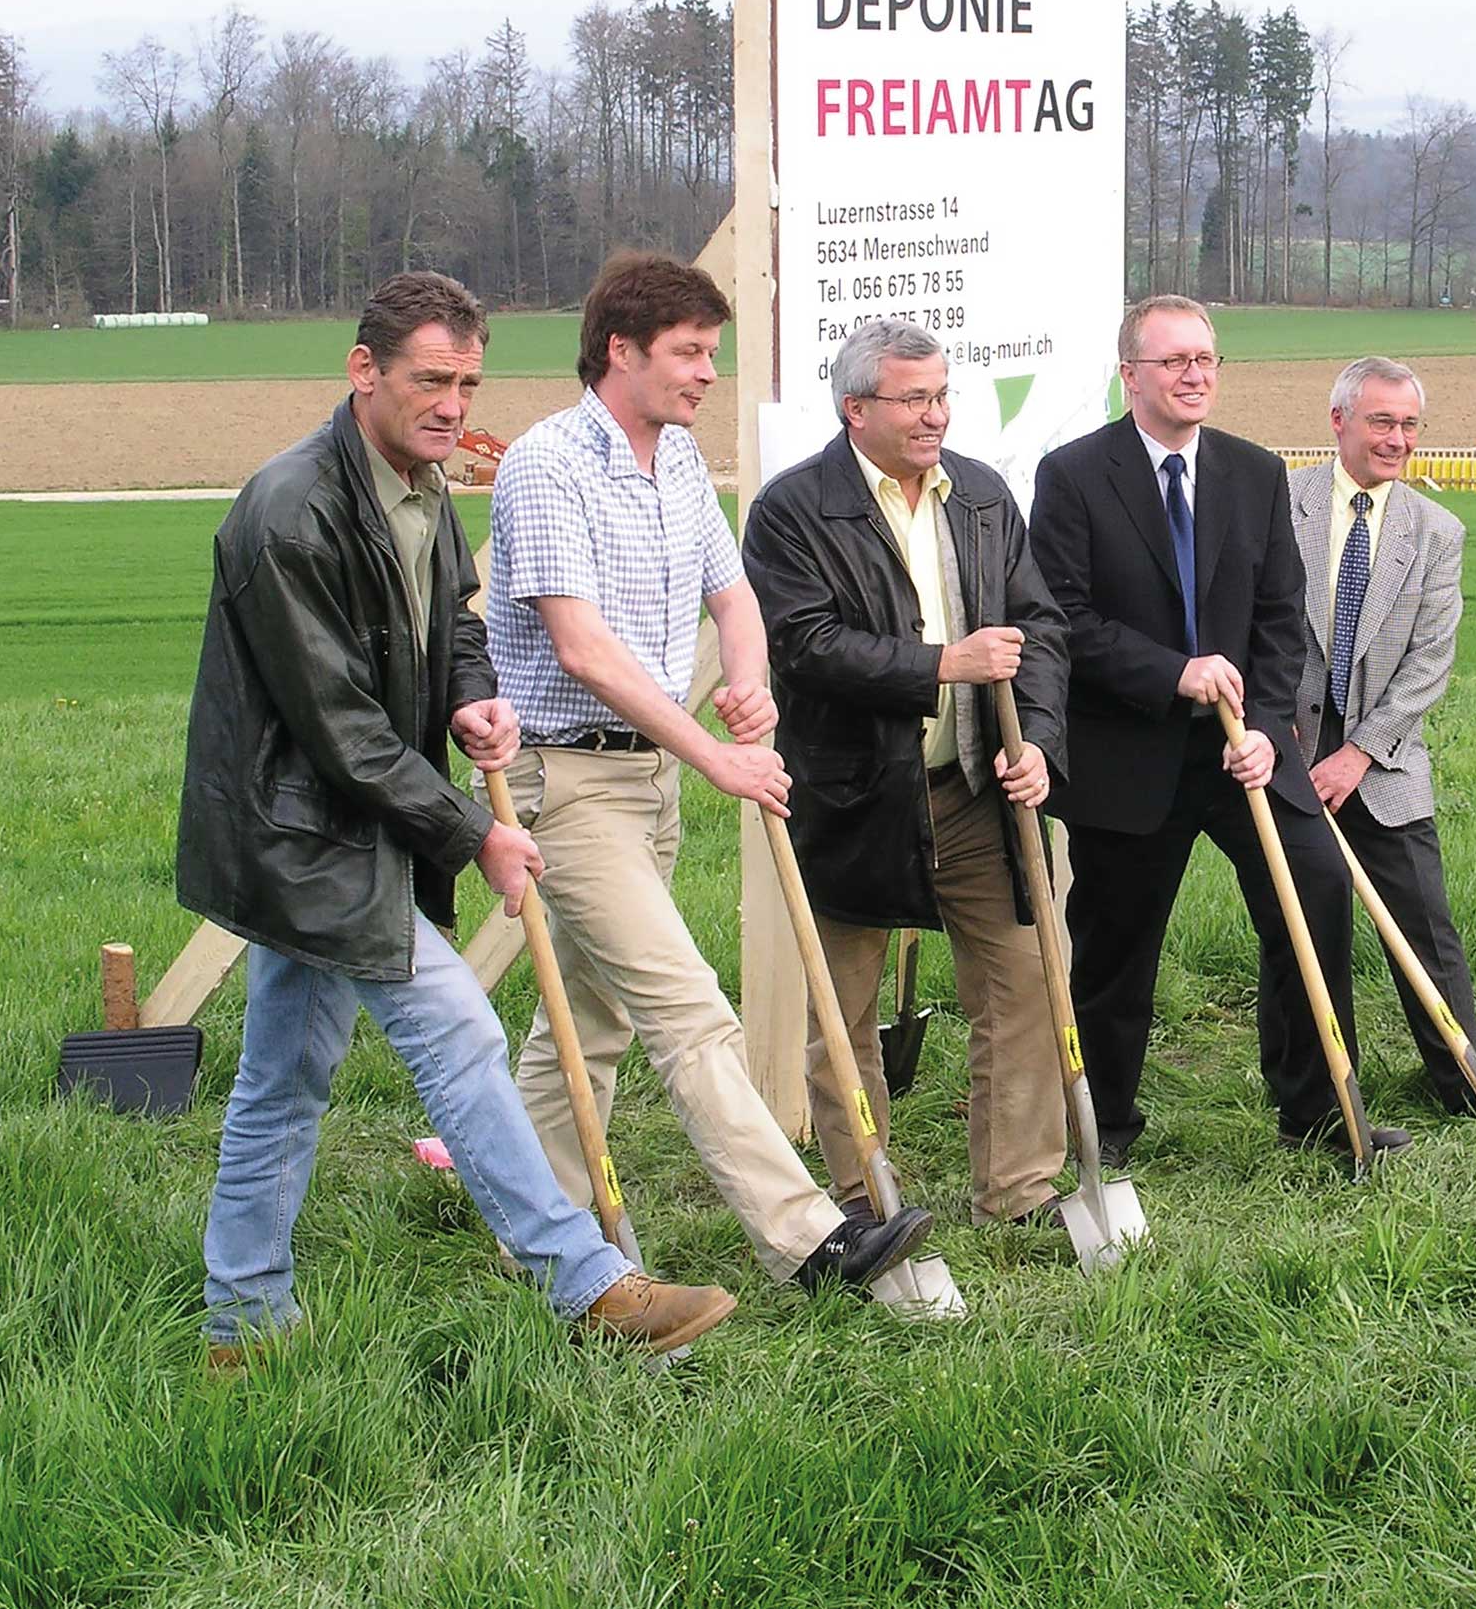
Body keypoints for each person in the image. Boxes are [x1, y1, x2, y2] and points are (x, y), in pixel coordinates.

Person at [181, 270, 734, 1364]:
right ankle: (588, 1289)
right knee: (464, 1037)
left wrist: (474, 691)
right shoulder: (290, 510)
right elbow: (338, 725)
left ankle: (241, 1325)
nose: (451, 404)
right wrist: (471, 832)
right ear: (363, 372)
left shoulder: (420, 484)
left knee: (281, 1081)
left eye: (468, 383)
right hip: (305, 840)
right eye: (431, 380)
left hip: (355, 822)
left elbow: (453, 625)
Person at [487, 252, 934, 1295]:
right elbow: (583, 652)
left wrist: (749, 690)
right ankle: (810, 1241)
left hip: (646, 783)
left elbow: (733, 599)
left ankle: (534, 1238)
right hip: (564, 782)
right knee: (691, 1012)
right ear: (619, 350)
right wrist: (721, 758)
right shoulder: (545, 465)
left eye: (709, 354)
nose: (703, 374)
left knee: (582, 1026)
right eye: (687, 354)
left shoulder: (679, 459)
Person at [1029, 294, 1405, 1165]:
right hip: (1131, 752)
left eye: (1206, 359)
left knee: (1314, 894)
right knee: (1116, 947)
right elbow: (1065, 619)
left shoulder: (1253, 471)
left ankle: (1317, 1111)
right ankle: (1102, 1130)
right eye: (1175, 362)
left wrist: (1270, 725)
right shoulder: (1075, 475)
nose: (1196, 375)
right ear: (1131, 374)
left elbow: (1280, 616)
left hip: (1247, 755)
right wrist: (1173, 672)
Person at [742, 317, 1070, 1227]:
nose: (937, 414)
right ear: (856, 408)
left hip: (973, 793)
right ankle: (864, 1198)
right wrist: (937, 663)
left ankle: (1020, 1187)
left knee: (1028, 978)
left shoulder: (981, 496)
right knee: (842, 1014)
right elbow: (804, 645)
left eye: (942, 393)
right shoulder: (794, 510)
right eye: (915, 398)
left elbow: (1037, 627)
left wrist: (1036, 737)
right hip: (854, 795)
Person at [1287, 358, 1476, 1116]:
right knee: (1305, 927)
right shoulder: (1278, 505)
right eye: (1381, 421)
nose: (1397, 438)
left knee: (1425, 923)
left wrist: (1359, 754)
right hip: (1287, 758)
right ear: (1339, 421)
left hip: (1383, 763)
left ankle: (1466, 1083)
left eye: (1409, 424)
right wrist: (1291, 747)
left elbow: (1429, 663)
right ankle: (1326, 1097)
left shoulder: (1436, 531)